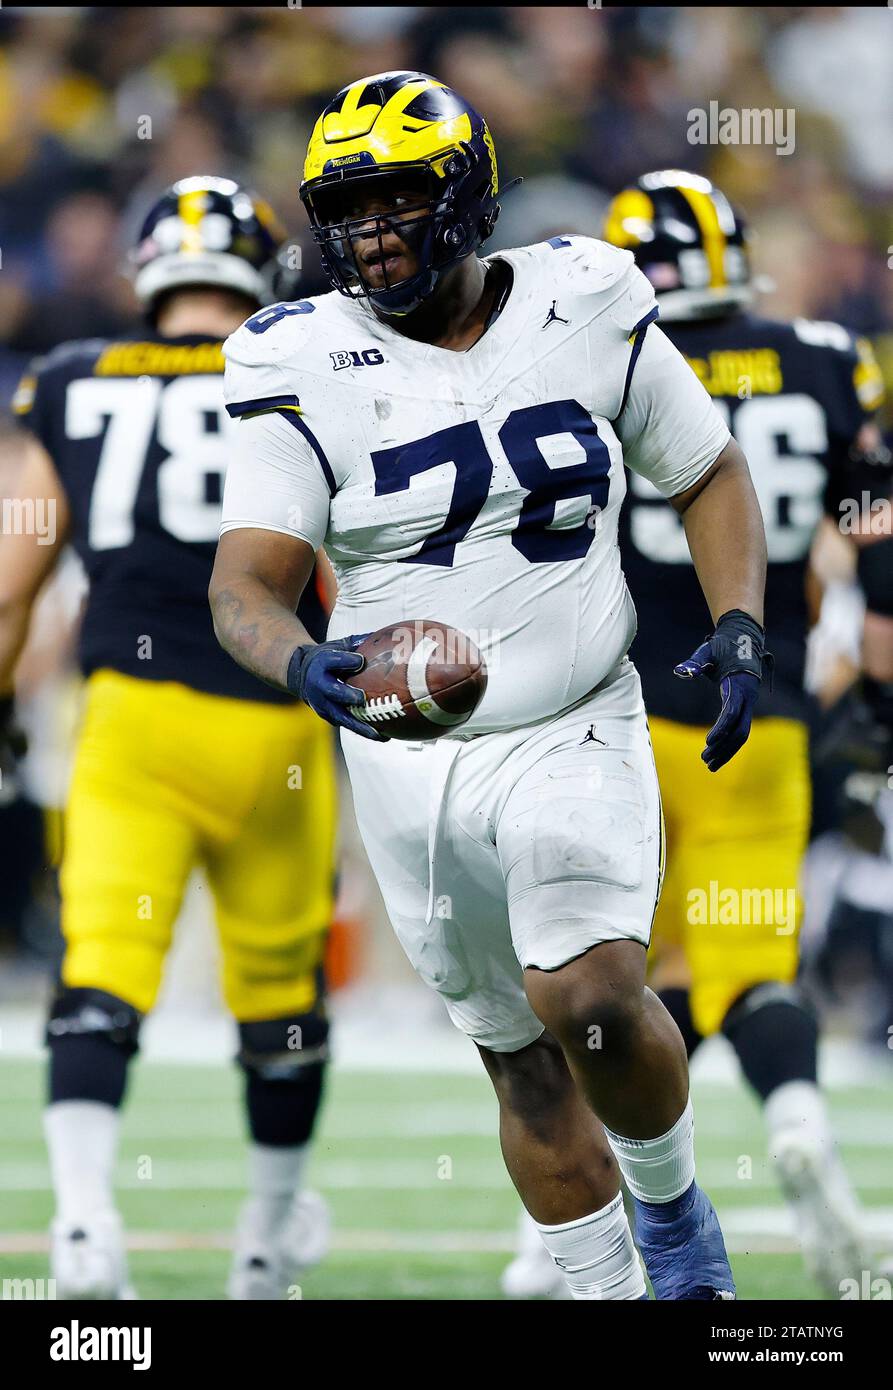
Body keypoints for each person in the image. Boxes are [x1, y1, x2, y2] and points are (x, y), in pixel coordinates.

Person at [210, 74, 773, 1301]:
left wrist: (737, 624)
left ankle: (673, 1220)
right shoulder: (292, 355)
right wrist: (308, 663)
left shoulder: (584, 295)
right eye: (347, 208)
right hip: (403, 753)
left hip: (572, 717)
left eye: (399, 197)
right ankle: (604, 1288)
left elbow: (708, 472)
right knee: (520, 1063)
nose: (373, 232)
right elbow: (243, 585)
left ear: (465, 196)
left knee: (592, 999)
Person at [3, 176, 337, 1300]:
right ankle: (264, 1242)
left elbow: (12, 580)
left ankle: (87, 1227)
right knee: (280, 994)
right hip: (274, 722)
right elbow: (343, 574)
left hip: (128, 724)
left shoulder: (67, 377)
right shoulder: (294, 367)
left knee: (99, 972)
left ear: (150, 271)